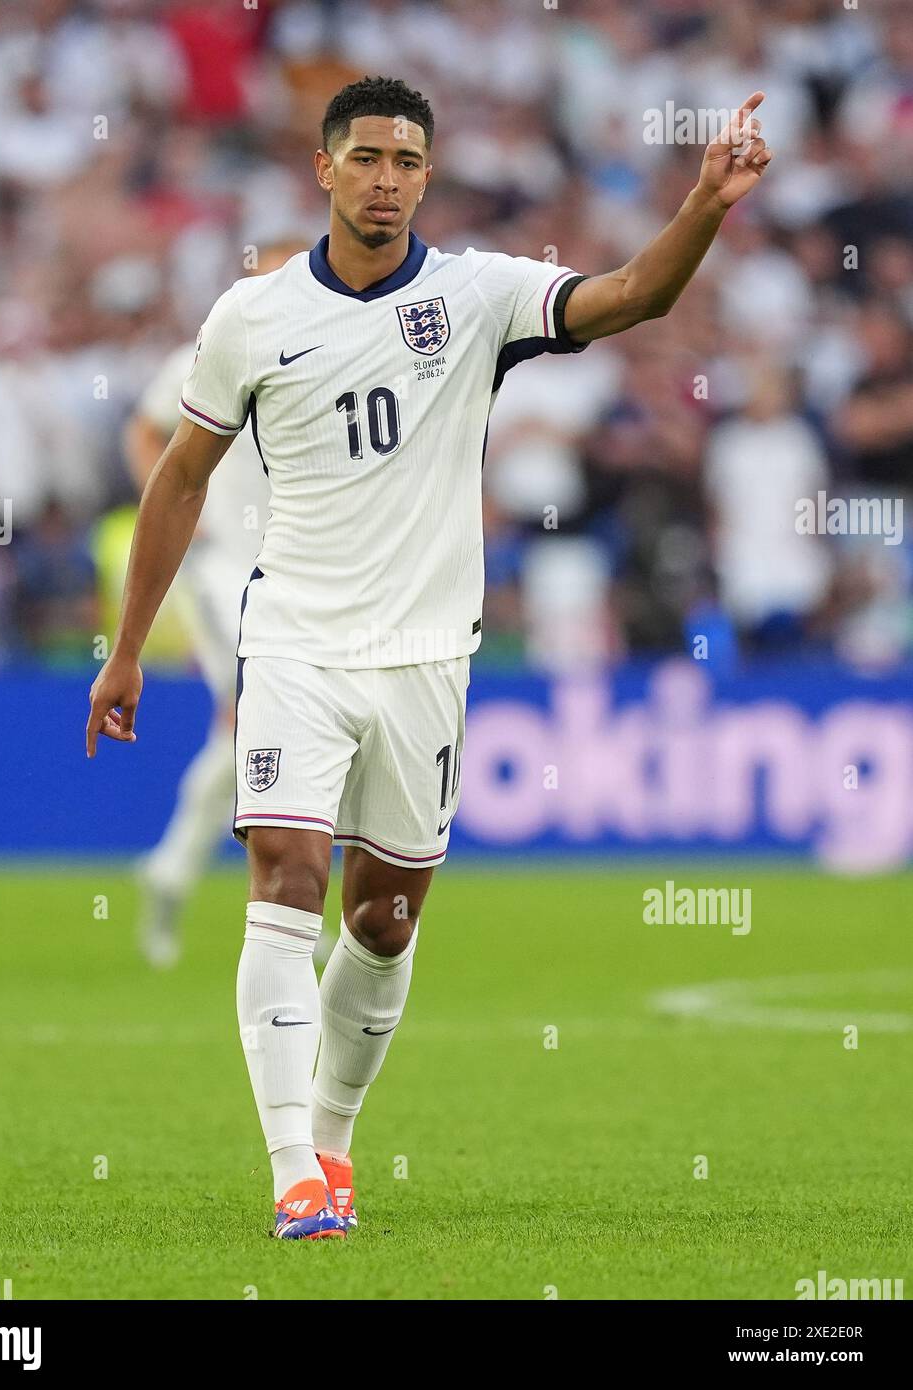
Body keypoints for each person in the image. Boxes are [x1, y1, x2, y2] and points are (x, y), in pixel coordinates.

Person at [86, 75, 772, 1240]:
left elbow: (633, 296)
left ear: (427, 175)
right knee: (284, 878)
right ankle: (293, 1166)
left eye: (407, 161)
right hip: (294, 640)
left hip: (425, 661)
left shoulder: (479, 297)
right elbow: (181, 476)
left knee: (386, 919)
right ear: (323, 168)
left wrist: (705, 203)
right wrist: (131, 647)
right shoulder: (252, 314)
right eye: (366, 158)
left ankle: (339, 1139)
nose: (387, 180)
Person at [123, 240, 309, 968]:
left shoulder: (329, 349)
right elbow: (143, 429)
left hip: (298, 573)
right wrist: (174, 508)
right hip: (227, 570)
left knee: (252, 736)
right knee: (263, 721)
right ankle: (287, 902)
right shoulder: (212, 345)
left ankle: (173, 867)